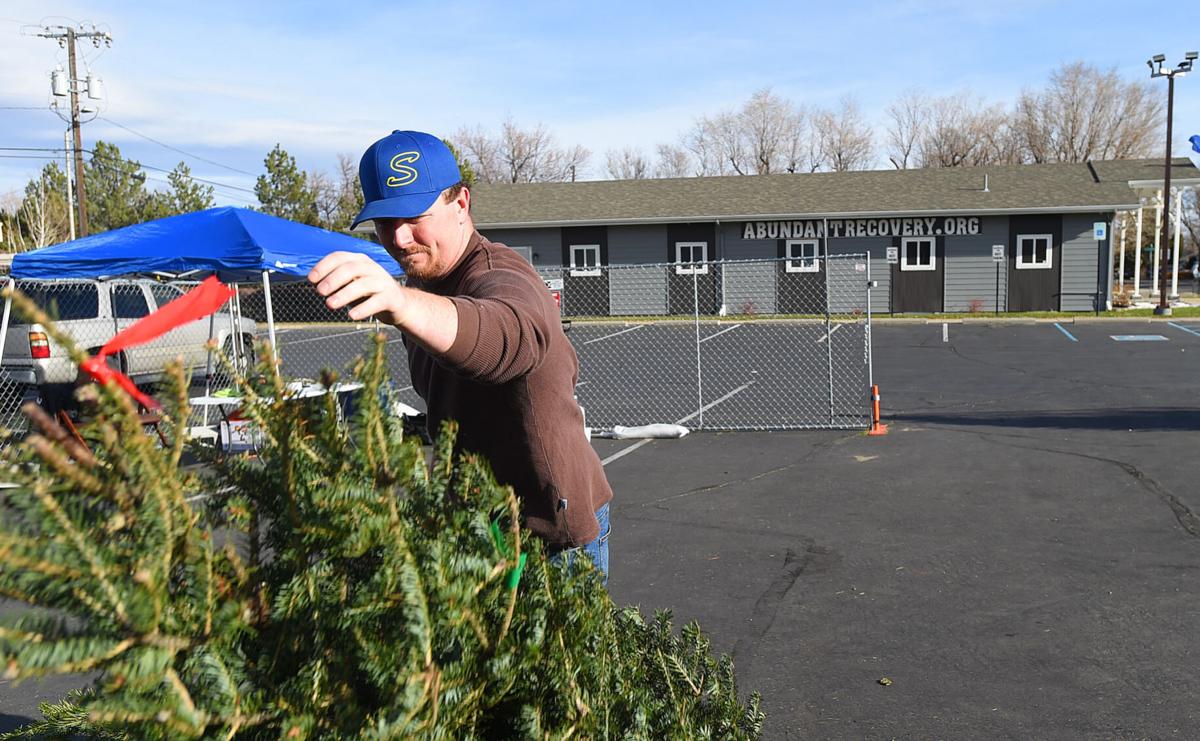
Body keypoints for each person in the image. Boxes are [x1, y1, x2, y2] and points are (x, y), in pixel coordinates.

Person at [307, 130, 613, 583]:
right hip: (479, 531)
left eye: (415, 216)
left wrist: (402, 304)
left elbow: (512, 336)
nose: (400, 237)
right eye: (385, 221)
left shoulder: (499, 273)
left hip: (551, 540)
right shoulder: (422, 287)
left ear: (462, 204)